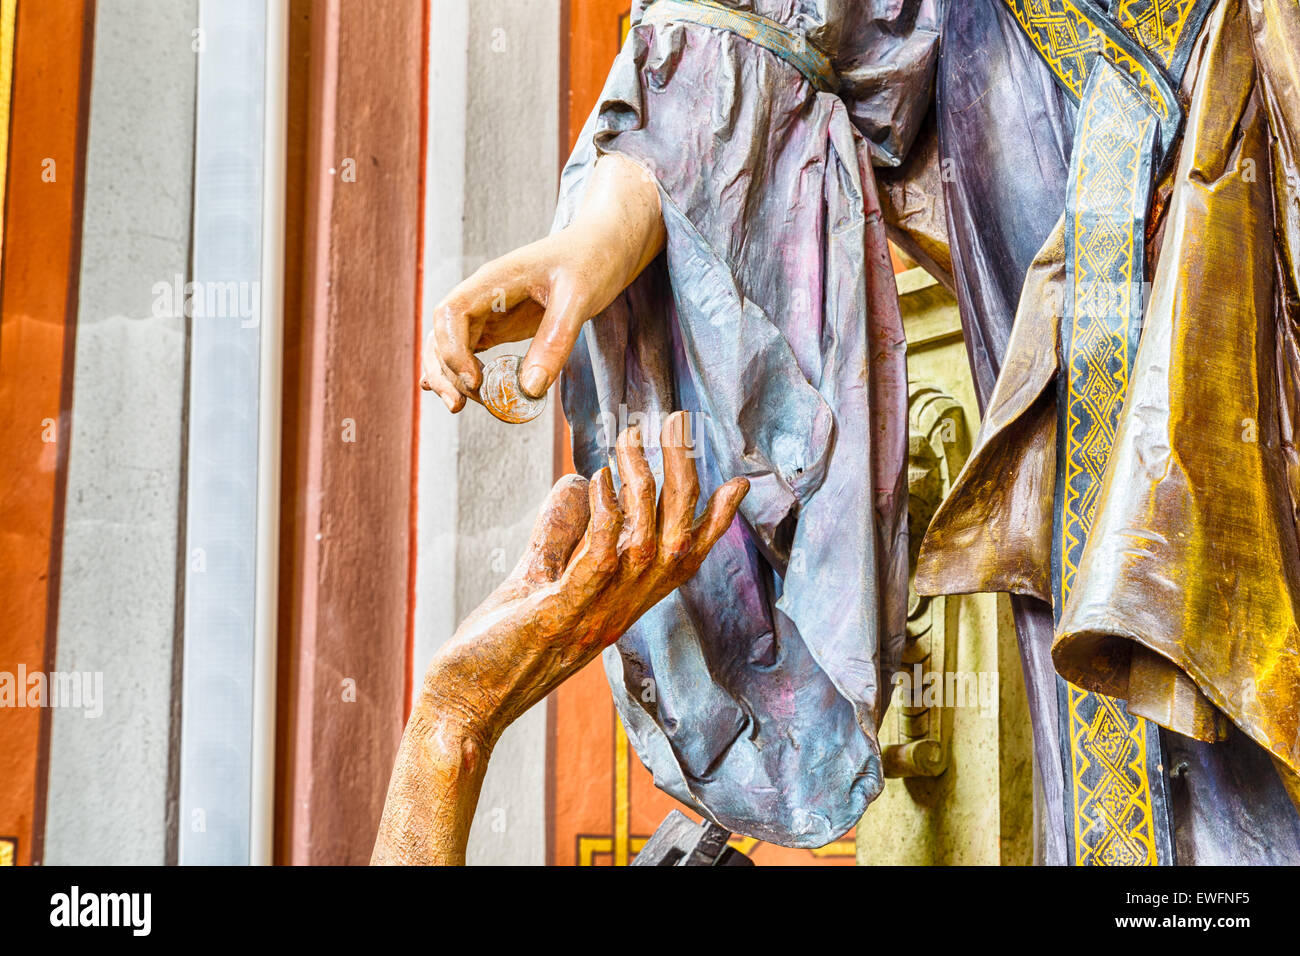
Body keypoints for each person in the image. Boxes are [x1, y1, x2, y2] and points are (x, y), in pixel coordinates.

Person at [399, 0, 1300, 863]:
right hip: (1058, 177)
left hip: (1256, 117)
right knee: (1163, 754)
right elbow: (758, 28)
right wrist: (600, 233)